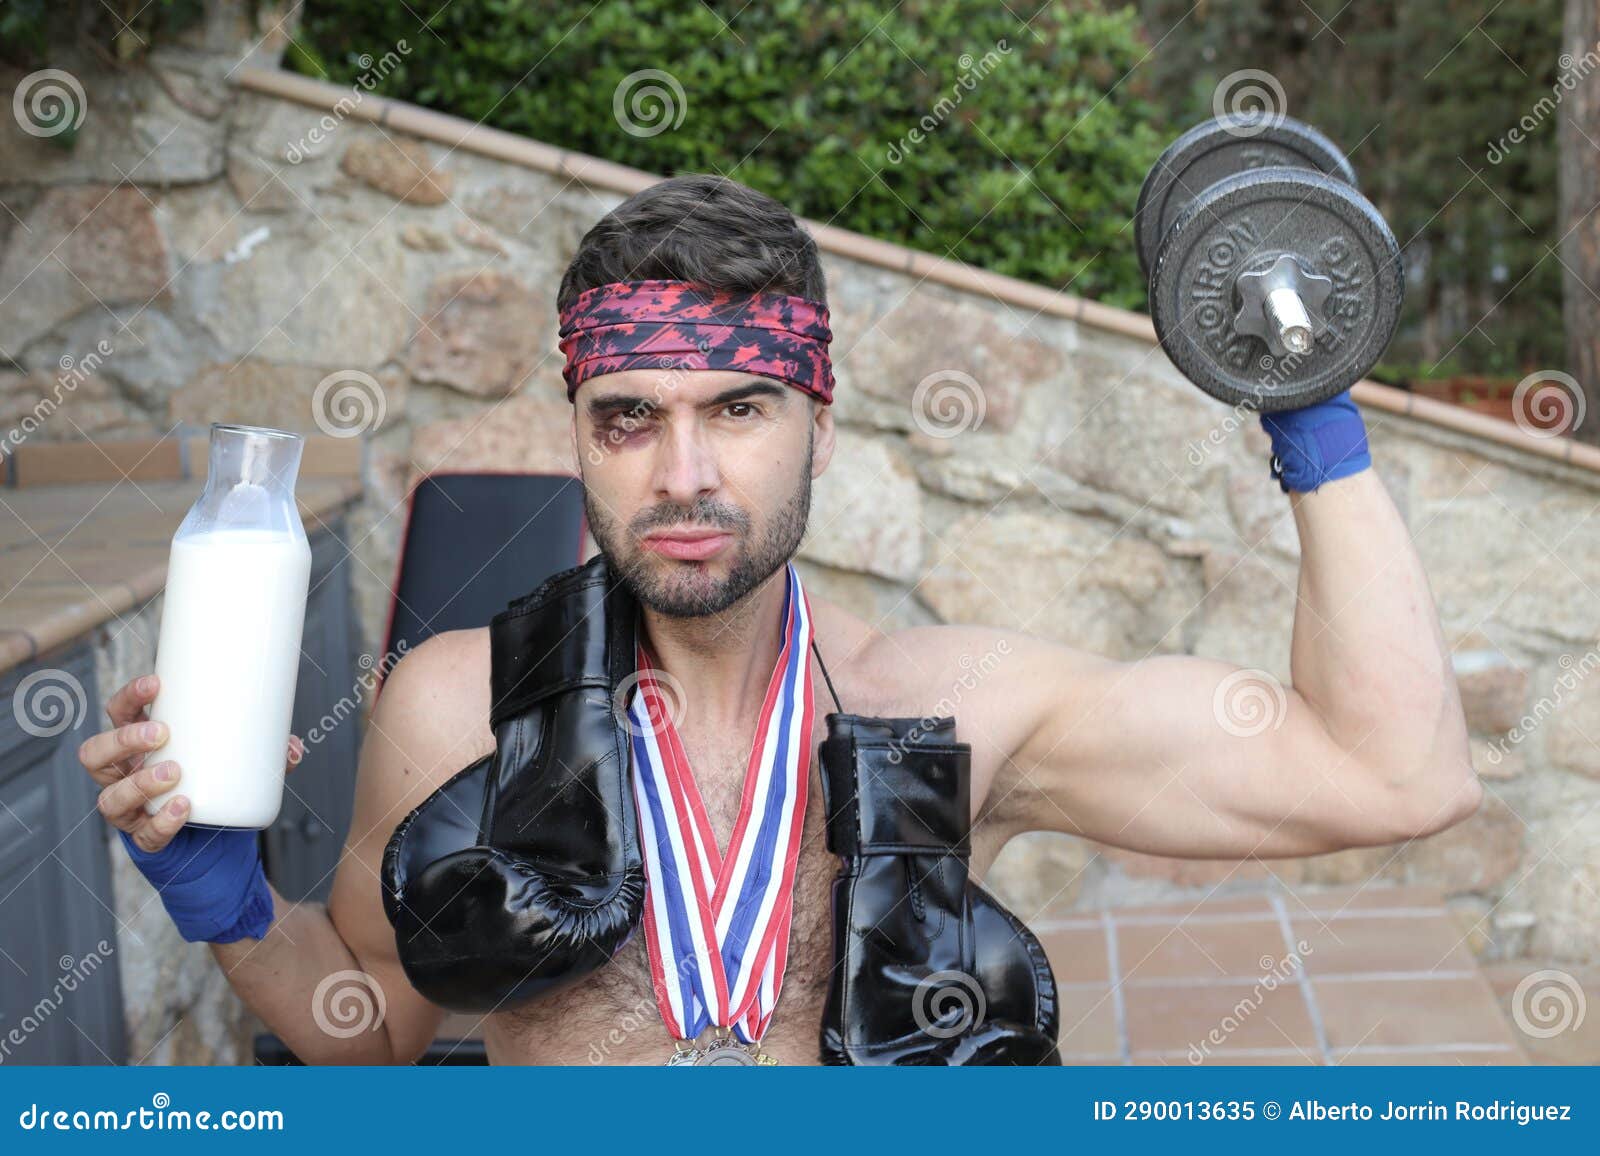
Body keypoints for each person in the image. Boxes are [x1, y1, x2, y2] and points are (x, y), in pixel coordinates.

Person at [77, 172, 1481, 1065]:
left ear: (819, 422)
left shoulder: (955, 711)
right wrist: (227, 894)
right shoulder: (456, 707)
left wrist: (1311, 407)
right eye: (630, 418)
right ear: (576, 430)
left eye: (737, 411)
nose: (683, 474)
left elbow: (1393, 773)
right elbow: (373, 1033)